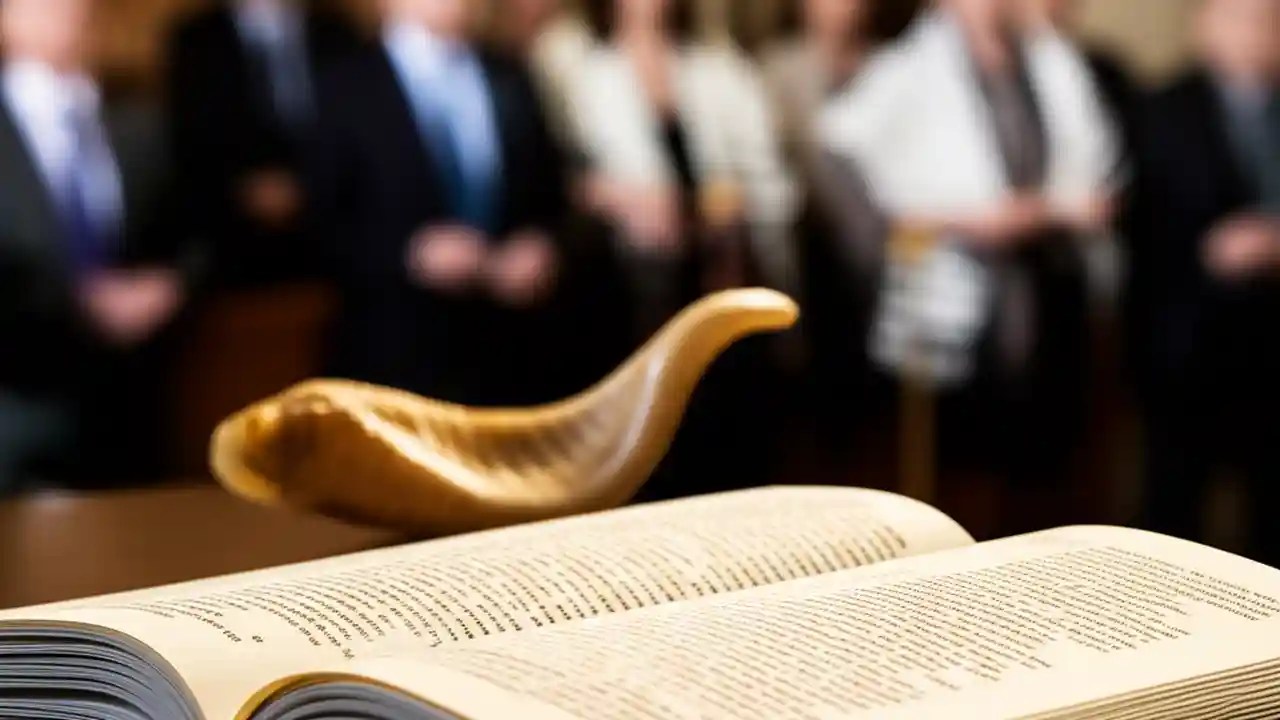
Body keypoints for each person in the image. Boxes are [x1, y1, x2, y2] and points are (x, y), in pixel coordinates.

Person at [821, 0, 1120, 531]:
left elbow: (1093, 170)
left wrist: (1043, 211)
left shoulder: (1048, 62)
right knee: (960, 470)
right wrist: (963, 219)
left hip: (1047, 282)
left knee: (1049, 467)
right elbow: (856, 165)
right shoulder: (907, 70)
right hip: (959, 294)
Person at [309, 0, 571, 407]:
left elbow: (552, 197)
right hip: (394, 362)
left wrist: (542, 245)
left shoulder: (509, 73)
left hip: (510, 356)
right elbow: (320, 224)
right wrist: (407, 254)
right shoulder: (345, 85)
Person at [0, 0, 198, 493]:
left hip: (133, 398)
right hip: (21, 399)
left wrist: (168, 284)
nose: (65, 13)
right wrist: (78, 301)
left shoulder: (136, 116)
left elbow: (194, 228)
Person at [1126, 0, 1280, 563]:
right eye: (1242, 17)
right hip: (1186, 345)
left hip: (1271, 344)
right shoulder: (1161, 107)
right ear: (1204, 23)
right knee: (1173, 512)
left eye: (1269, 19)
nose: (1258, 33)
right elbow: (1142, 225)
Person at [566, 0, 798, 341]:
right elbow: (572, 181)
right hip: (639, 249)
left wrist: (734, 210)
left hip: (722, 238)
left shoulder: (715, 67)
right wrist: (630, 201)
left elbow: (767, 171)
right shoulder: (587, 74)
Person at [166, 0, 360, 288]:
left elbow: (357, 129)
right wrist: (248, 187)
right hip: (230, 220)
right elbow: (189, 140)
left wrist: (308, 183)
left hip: (329, 210)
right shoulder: (196, 38)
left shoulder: (337, 31)